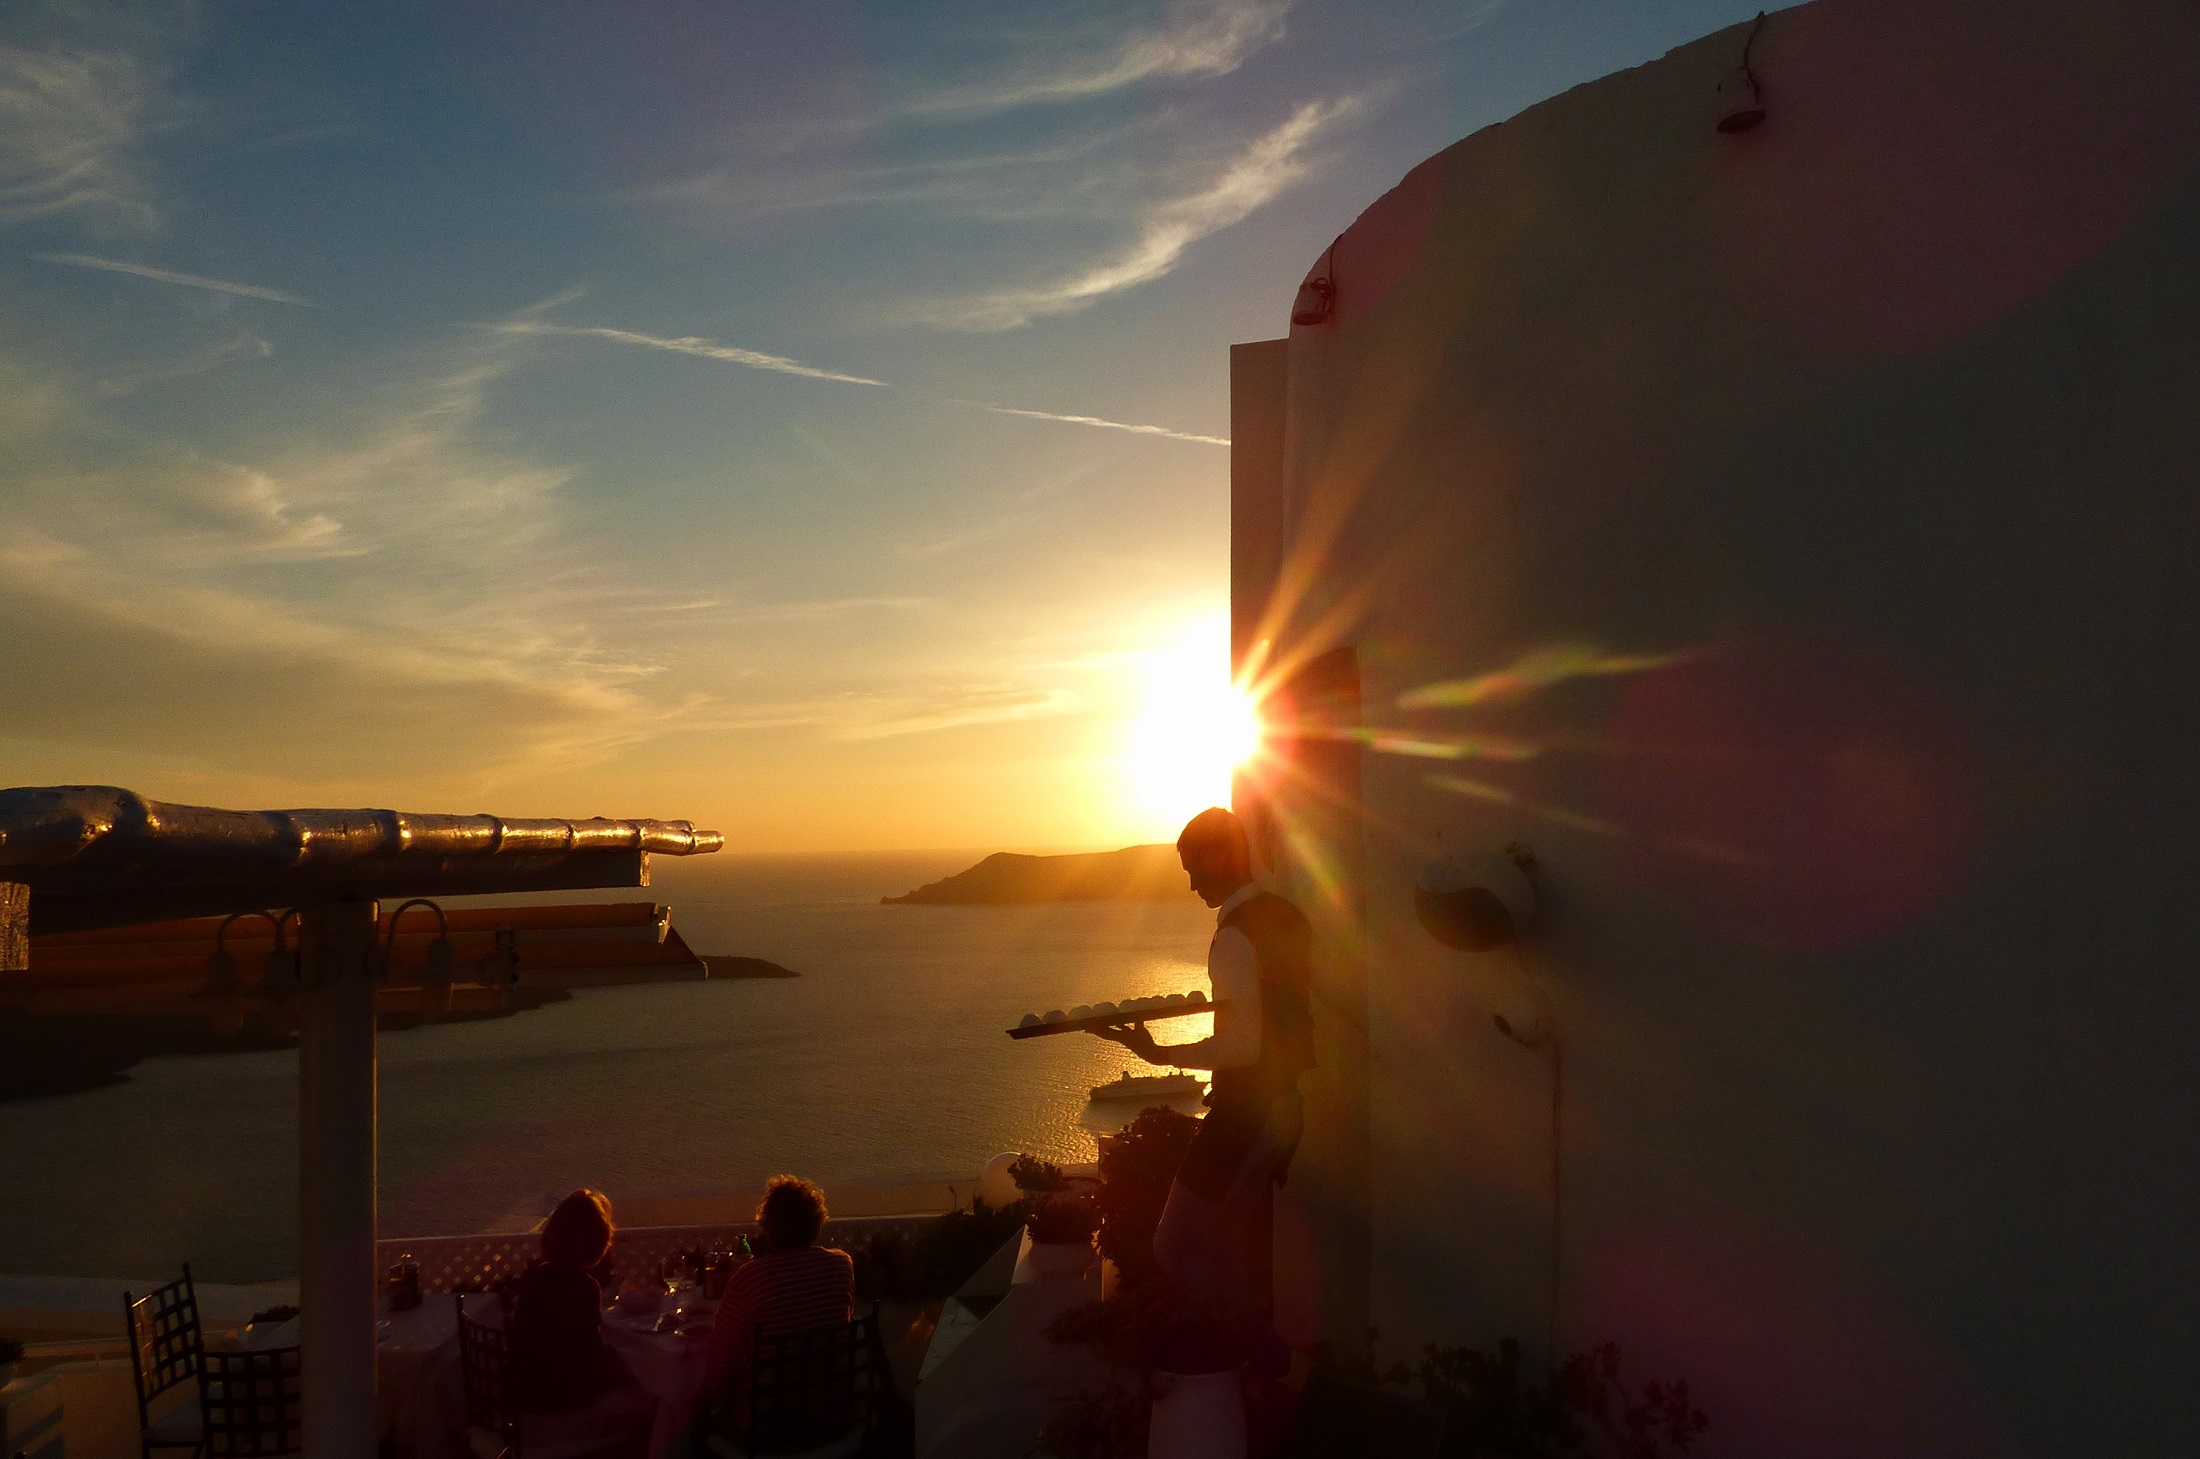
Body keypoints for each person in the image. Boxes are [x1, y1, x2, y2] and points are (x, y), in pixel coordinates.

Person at [1094, 806, 1315, 1371]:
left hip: (1247, 1109)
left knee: (1175, 1246)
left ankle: (1261, 1360)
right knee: (1221, 1244)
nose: (1191, 884)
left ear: (1222, 857)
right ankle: (1253, 1366)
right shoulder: (1284, 915)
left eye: (1195, 868)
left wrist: (1159, 1053)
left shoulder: (1236, 936)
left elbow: (1245, 1047)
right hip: (1283, 1104)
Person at [702, 1176, 856, 1414]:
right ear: (817, 1223)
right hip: (829, 1417)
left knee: (694, 1413)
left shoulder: (749, 1278)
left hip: (765, 1429)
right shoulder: (841, 1265)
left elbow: (719, 1366)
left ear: (768, 1227)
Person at [506, 1189, 653, 1435]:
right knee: (650, 1396)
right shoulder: (584, 1288)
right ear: (598, 1242)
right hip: (561, 1402)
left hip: (522, 1396)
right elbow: (589, 1362)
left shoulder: (534, 1276)